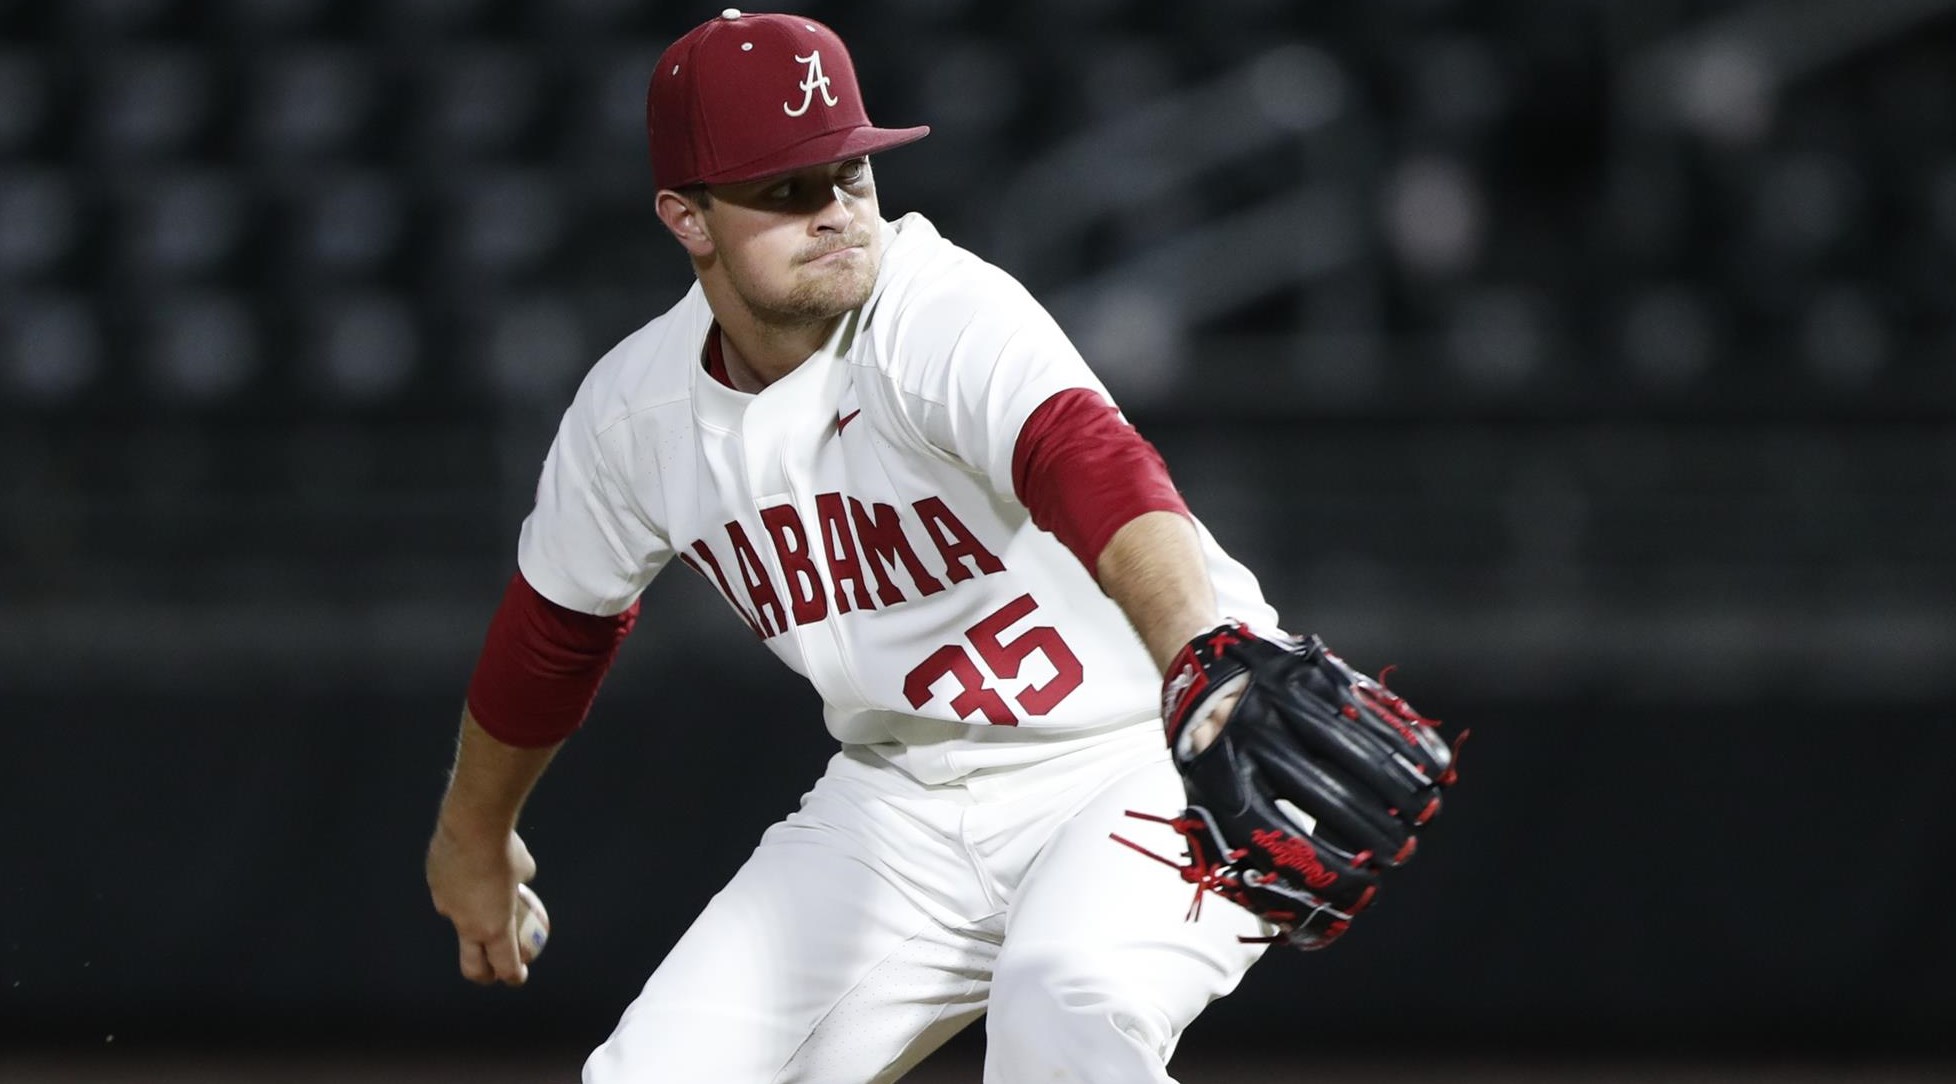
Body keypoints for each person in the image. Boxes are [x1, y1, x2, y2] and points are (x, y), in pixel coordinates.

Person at [426, 9, 1292, 1081]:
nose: (835, 211)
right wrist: (473, 837)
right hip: (908, 790)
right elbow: (552, 637)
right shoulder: (633, 415)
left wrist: (1205, 667)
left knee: (1071, 998)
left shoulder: (939, 310)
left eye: (850, 174)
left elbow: (1097, 468)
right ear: (686, 218)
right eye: (786, 189)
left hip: (1152, 744)